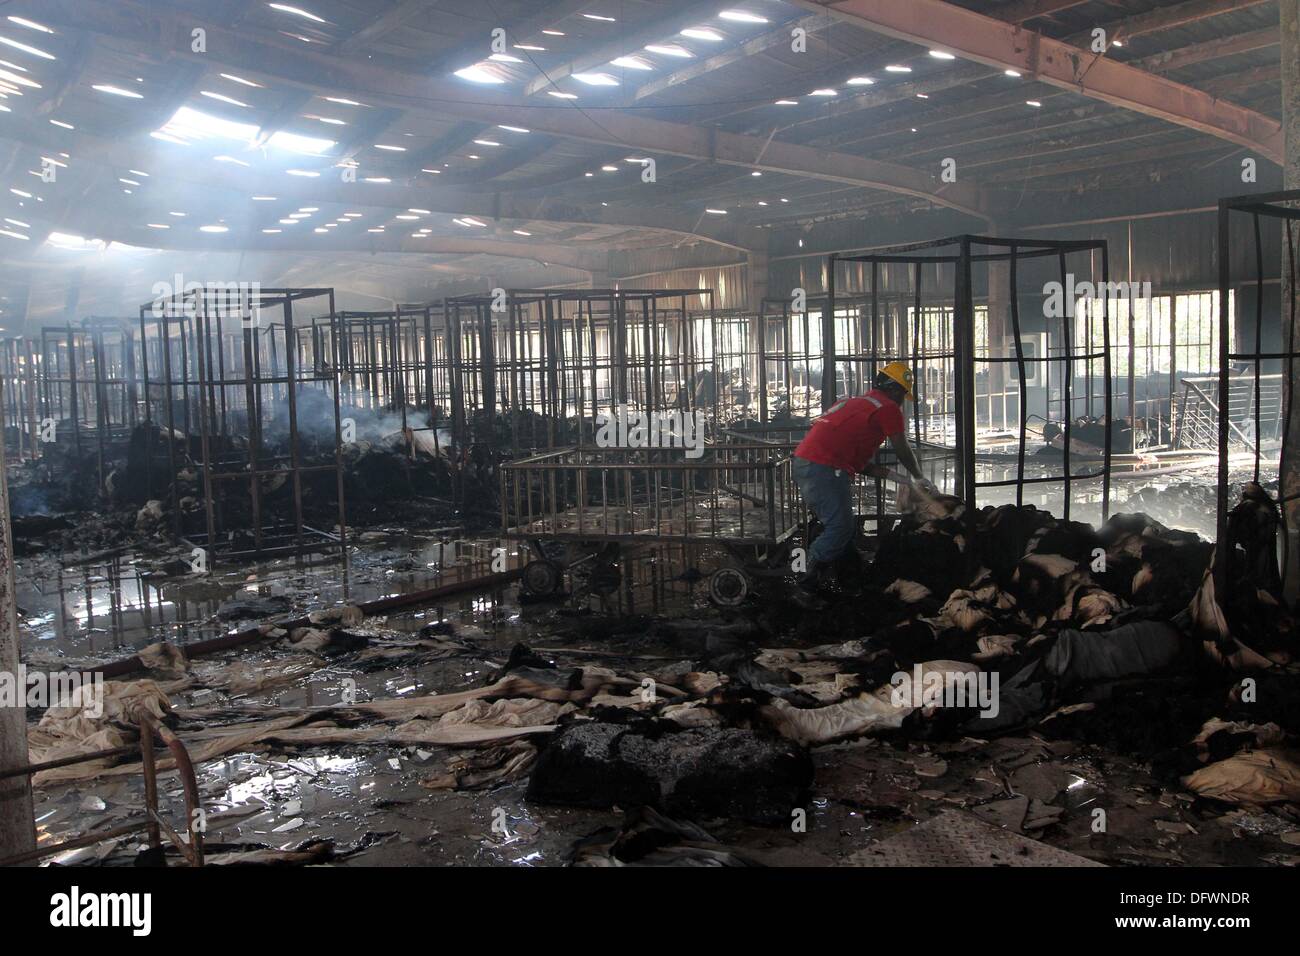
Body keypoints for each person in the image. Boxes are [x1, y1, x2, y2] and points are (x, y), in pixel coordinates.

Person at [792, 362, 934, 590]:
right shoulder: (887, 408)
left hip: (809, 464)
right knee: (840, 528)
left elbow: (858, 464)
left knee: (842, 527)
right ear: (896, 390)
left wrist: (899, 478)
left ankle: (851, 578)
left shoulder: (853, 403)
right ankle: (802, 582)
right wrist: (917, 475)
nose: (901, 402)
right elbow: (900, 445)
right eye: (902, 395)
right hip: (824, 469)